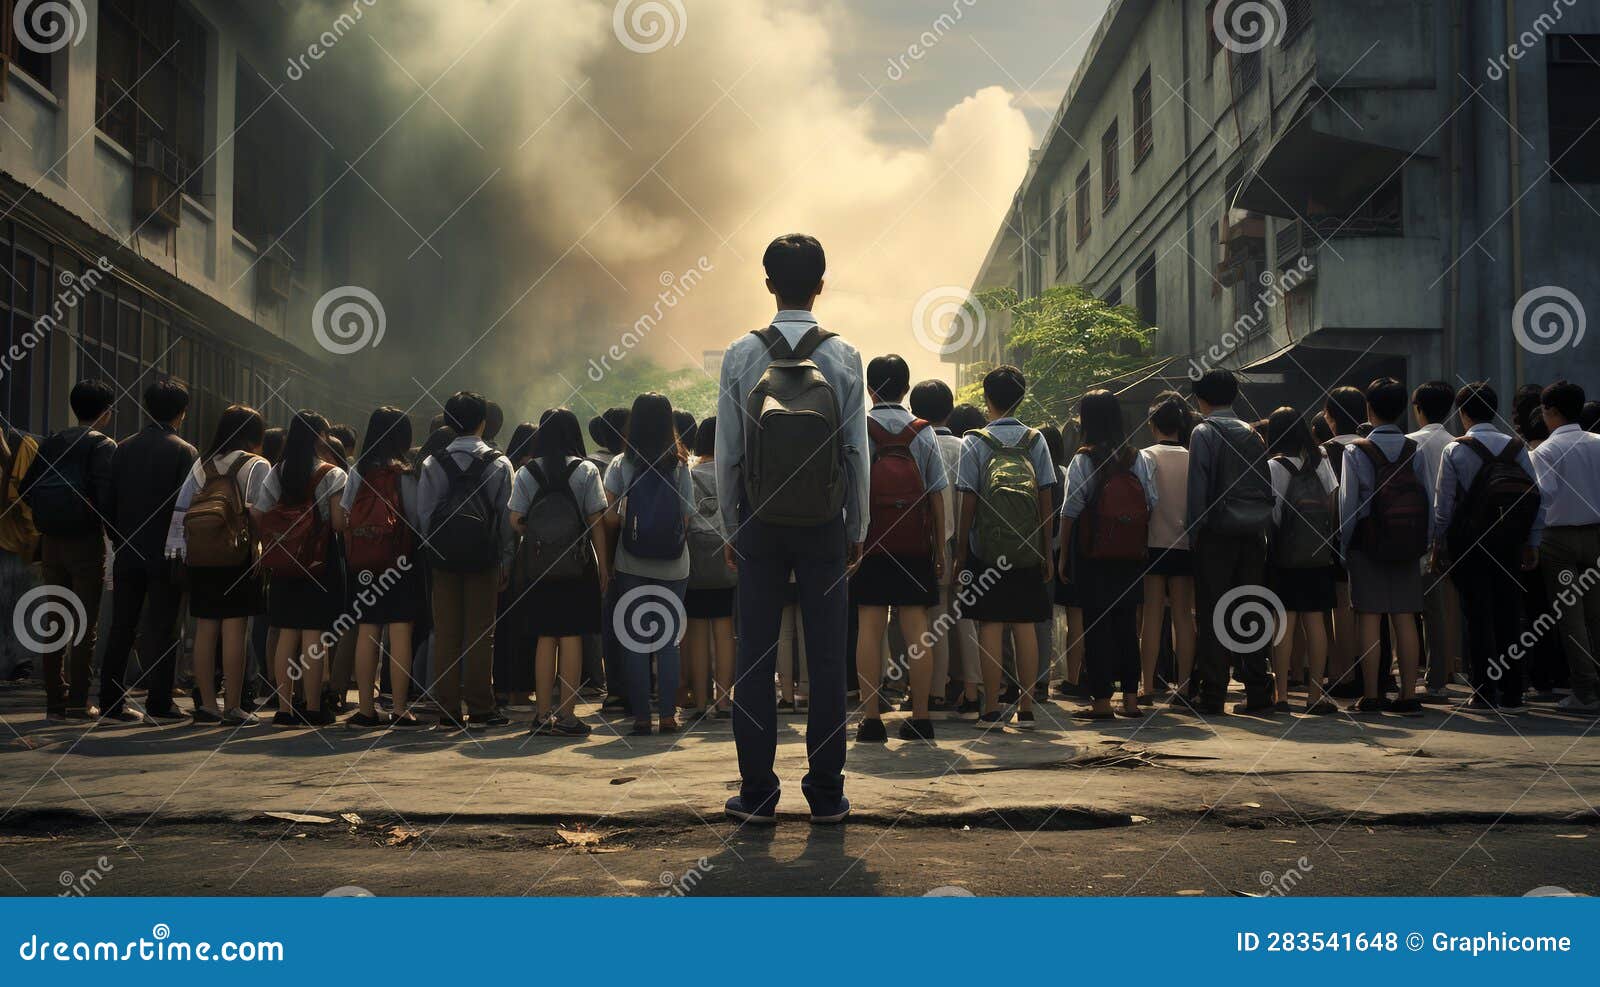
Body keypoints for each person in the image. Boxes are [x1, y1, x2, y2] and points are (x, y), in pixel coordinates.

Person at [715, 233, 866, 825]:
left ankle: (757, 795)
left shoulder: (739, 354)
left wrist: (731, 524)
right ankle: (826, 794)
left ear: (769, 283)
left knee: (755, 656)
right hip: (826, 521)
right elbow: (856, 450)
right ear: (821, 283)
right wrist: (858, 524)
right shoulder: (845, 355)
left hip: (758, 522)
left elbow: (729, 451)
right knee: (829, 657)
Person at [1432, 382, 1545, 712]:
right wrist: (1532, 541)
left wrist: (1439, 547)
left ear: (1463, 413)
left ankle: (1483, 692)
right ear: (1494, 411)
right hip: (1509, 541)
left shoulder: (1455, 450)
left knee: (1477, 616)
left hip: (1470, 544)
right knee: (1509, 613)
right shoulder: (1516, 447)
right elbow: (1537, 495)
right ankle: (1513, 691)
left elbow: (1444, 507)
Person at [852, 355, 947, 743]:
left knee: (869, 629)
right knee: (917, 631)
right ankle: (921, 718)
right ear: (907, 389)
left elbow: (852, 491)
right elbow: (937, 495)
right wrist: (939, 549)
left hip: (871, 545)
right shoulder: (923, 432)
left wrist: (851, 543)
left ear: (869, 389)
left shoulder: (859, 429)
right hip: (913, 547)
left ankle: (872, 719)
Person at [955, 365, 1055, 729]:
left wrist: (963, 551)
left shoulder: (975, 441)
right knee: (1025, 624)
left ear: (986, 398)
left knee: (991, 625)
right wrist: (1046, 548)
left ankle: (992, 708)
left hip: (987, 549)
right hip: (1029, 547)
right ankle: (1026, 709)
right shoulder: (1036, 440)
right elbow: (1046, 496)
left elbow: (967, 499)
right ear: (1021, 397)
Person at [98, 378, 197, 724]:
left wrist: (120, 539)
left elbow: (106, 504)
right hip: (167, 554)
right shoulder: (185, 452)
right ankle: (159, 701)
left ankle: (111, 700)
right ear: (182, 413)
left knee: (122, 627)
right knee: (164, 628)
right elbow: (188, 510)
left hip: (128, 552)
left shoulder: (122, 448)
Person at [19, 379, 118, 720]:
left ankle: (54, 700)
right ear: (105, 413)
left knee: (55, 619)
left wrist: (51, 515)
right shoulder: (103, 444)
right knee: (85, 623)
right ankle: (79, 701)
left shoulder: (52, 441)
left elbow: (27, 487)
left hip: (51, 543)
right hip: (85, 542)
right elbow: (106, 497)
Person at [418, 391, 516, 731]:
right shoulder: (500, 464)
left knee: (446, 632)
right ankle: (480, 707)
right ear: (483, 422)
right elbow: (506, 520)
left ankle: (447, 709)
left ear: (447, 422)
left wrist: (437, 552)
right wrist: (506, 561)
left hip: (443, 560)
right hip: (484, 559)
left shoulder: (432, 463)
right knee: (480, 634)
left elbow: (425, 517)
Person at [168, 404, 271, 725]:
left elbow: (182, 509)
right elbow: (259, 513)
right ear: (255, 436)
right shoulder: (256, 465)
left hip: (201, 556)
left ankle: (208, 705)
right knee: (235, 632)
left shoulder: (202, 464)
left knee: (205, 630)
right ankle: (234, 707)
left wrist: (181, 552)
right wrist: (261, 549)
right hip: (239, 556)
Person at [510, 408, 608, 737]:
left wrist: (541, 533)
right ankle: (567, 716)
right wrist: (604, 567)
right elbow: (596, 523)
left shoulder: (527, 473)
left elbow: (514, 519)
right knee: (571, 637)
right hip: (577, 566)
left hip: (538, 566)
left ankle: (541, 715)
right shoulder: (586, 471)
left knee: (544, 637)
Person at [1058, 390, 1156, 720]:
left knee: (1096, 626)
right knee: (1127, 625)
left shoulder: (1083, 459)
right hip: (1130, 554)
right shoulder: (1136, 457)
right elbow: (1150, 503)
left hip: (1093, 554)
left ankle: (1101, 702)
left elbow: (1070, 510)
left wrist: (1062, 556)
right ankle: (1131, 699)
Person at [1184, 369, 1276, 715]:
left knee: (1212, 614)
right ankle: (1258, 691)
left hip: (1216, 535)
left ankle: (1213, 694)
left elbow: (1197, 490)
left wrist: (1194, 535)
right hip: (1253, 534)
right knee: (1250, 609)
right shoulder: (1253, 433)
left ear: (1201, 399)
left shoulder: (1204, 432)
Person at [333, 407, 430, 729]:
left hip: (365, 563)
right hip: (401, 562)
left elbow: (345, 515)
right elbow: (418, 519)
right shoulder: (406, 473)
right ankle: (400, 709)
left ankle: (365, 710)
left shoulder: (358, 470)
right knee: (400, 631)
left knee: (368, 630)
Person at [1338, 378, 1431, 714]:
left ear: (1369, 409)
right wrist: (1425, 543)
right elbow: (1427, 500)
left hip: (1368, 542)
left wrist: (1344, 547)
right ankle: (1408, 695)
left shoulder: (1356, 450)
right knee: (1405, 617)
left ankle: (1373, 695)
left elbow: (1349, 504)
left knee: (1369, 617)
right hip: (1407, 542)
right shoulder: (1413, 449)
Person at [604, 392, 693, 736]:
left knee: (635, 640)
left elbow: (610, 518)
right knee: (668, 640)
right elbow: (686, 518)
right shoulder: (681, 463)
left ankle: (642, 717)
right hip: (674, 564)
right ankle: (668, 716)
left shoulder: (621, 464)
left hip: (632, 562)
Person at [254, 411, 347, 727]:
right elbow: (337, 523)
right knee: (313, 636)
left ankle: (284, 708)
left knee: (285, 633)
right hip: (318, 563)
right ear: (320, 436)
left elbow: (259, 513)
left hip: (282, 563)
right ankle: (312, 706)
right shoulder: (332, 474)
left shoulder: (276, 472)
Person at [1530, 380, 1600, 714]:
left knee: (1571, 617)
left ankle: (1585, 691)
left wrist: (1530, 541)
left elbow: (1543, 499)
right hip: (1596, 536)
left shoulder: (1545, 451)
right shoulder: (1599, 443)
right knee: (1596, 615)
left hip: (1558, 542)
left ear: (1551, 411)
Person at [1263, 407, 1339, 714]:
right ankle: (1315, 695)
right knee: (1315, 621)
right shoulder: (1320, 460)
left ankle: (1281, 695)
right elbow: (1333, 504)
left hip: (1284, 554)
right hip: (1318, 556)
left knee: (1284, 623)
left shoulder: (1272, 465)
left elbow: (1270, 512)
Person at [911, 379, 973, 712]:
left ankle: (932, 689)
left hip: (924, 544)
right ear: (950, 410)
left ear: (913, 411)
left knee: (929, 620)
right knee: (961, 618)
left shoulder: (914, 445)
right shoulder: (966, 448)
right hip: (960, 544)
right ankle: (969, 688)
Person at [1408, 381, 1462, 703]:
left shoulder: (1408, 443)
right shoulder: (1457, 443)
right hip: (1448, 537)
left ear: (1418, 409)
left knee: (1404, 610)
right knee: (1439, 610)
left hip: (1413, 537)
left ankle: (1414, 678)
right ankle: (1440, 676)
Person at [1139, 393, 1195, 700]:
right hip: (1184, 544)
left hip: (1152, 543)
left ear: (1152, 424)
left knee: (1151, 616)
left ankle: (1147, 686)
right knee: (1183, 616)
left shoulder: (1146, 457)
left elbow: (1144, 501)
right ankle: (1184, 685)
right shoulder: (1192, 455)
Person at [684, 416, 736, 720]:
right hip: (725, 558)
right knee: (724, 631)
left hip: (694, 561)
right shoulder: (728, 475)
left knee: (698, 632)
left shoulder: (688, 476)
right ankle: (724, 700)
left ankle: (701, 702)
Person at [1321, 386, 1366, 697]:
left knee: (1341, 608)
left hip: (1334, 538)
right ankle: (1375, 672)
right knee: (1373, 610)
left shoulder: (1323, 452)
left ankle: (1343, 674)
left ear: (1330, 416)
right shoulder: (1370, 446)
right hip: (1375, 537)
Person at [0, 424, 41, 684]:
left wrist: (33, 537)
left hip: (14, 543)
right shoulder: (20, 445)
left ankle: (17, 664)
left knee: (14, 604)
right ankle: (16, 664)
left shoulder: (21, 446)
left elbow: (24, 498)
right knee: (15, 604)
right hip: (16, 542)